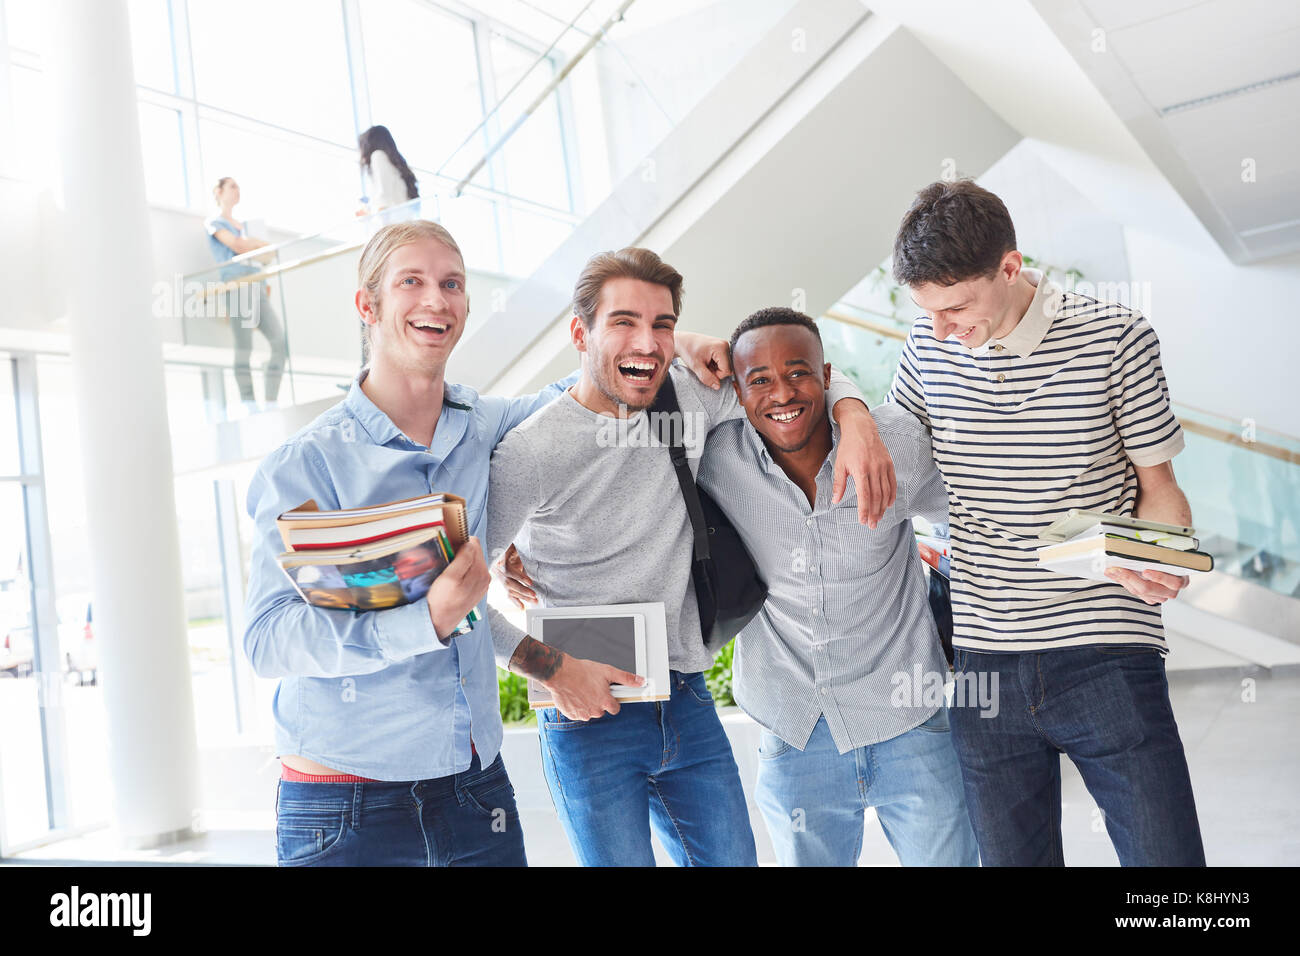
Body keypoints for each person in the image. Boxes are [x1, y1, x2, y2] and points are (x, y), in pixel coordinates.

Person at [242, 221, 725, 867]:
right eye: (411, 282)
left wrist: (673, 341)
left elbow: (584, 391)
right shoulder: (305, 465)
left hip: (472, 789)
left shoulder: (485, 426)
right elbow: (268, 641)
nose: (436, 300)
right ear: (368, 305)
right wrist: (427, 621)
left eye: (451, 284)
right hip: (343, 802)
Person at [485, 247, 896, 867]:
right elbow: (448, 595)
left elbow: (792, 375)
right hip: (587, 717)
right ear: (580, 333)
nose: (647, 343)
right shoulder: (531, 449)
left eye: (662, 324)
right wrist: (548, 667)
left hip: (688, 697)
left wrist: (854, 414)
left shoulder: (688, 400)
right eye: (624, 322)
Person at [887, 179, 1205, 866]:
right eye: (927, 311)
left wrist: (1164, 554)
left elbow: (1161, 490)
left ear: (1010, 267)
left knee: (1168, 866)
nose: (942, 329)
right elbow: (899, 465)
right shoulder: (926, 344)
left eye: (957, 307)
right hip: (981, 662)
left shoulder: (1118, 338)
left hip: (1105, 652)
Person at [693, 307, 978, 867]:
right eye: (760, 380)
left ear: (827, 374)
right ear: (737, 391)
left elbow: (975, 510)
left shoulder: (891, 440)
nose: (782, 393)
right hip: (795, 731)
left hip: (908, 722)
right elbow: (627, 398)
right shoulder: (718, 455)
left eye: (799, 373)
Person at [204, 177, 288, 413]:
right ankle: (250, 405)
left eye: (239, 187)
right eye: (232, 186)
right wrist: (253, 245)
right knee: (244, 348)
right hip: (236, 287)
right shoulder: (214, 222)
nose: (237, 190)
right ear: (218, 192)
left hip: (258, 286)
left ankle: (270, 402)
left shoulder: (246, 226)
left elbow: (268, 255)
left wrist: (249, 243)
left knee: (279, 342)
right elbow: (238, 247)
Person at [358, 125, 419, 218]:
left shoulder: (378, 156)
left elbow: (383, 197)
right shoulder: (395, 165)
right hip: (403, 221)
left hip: (392, 223)